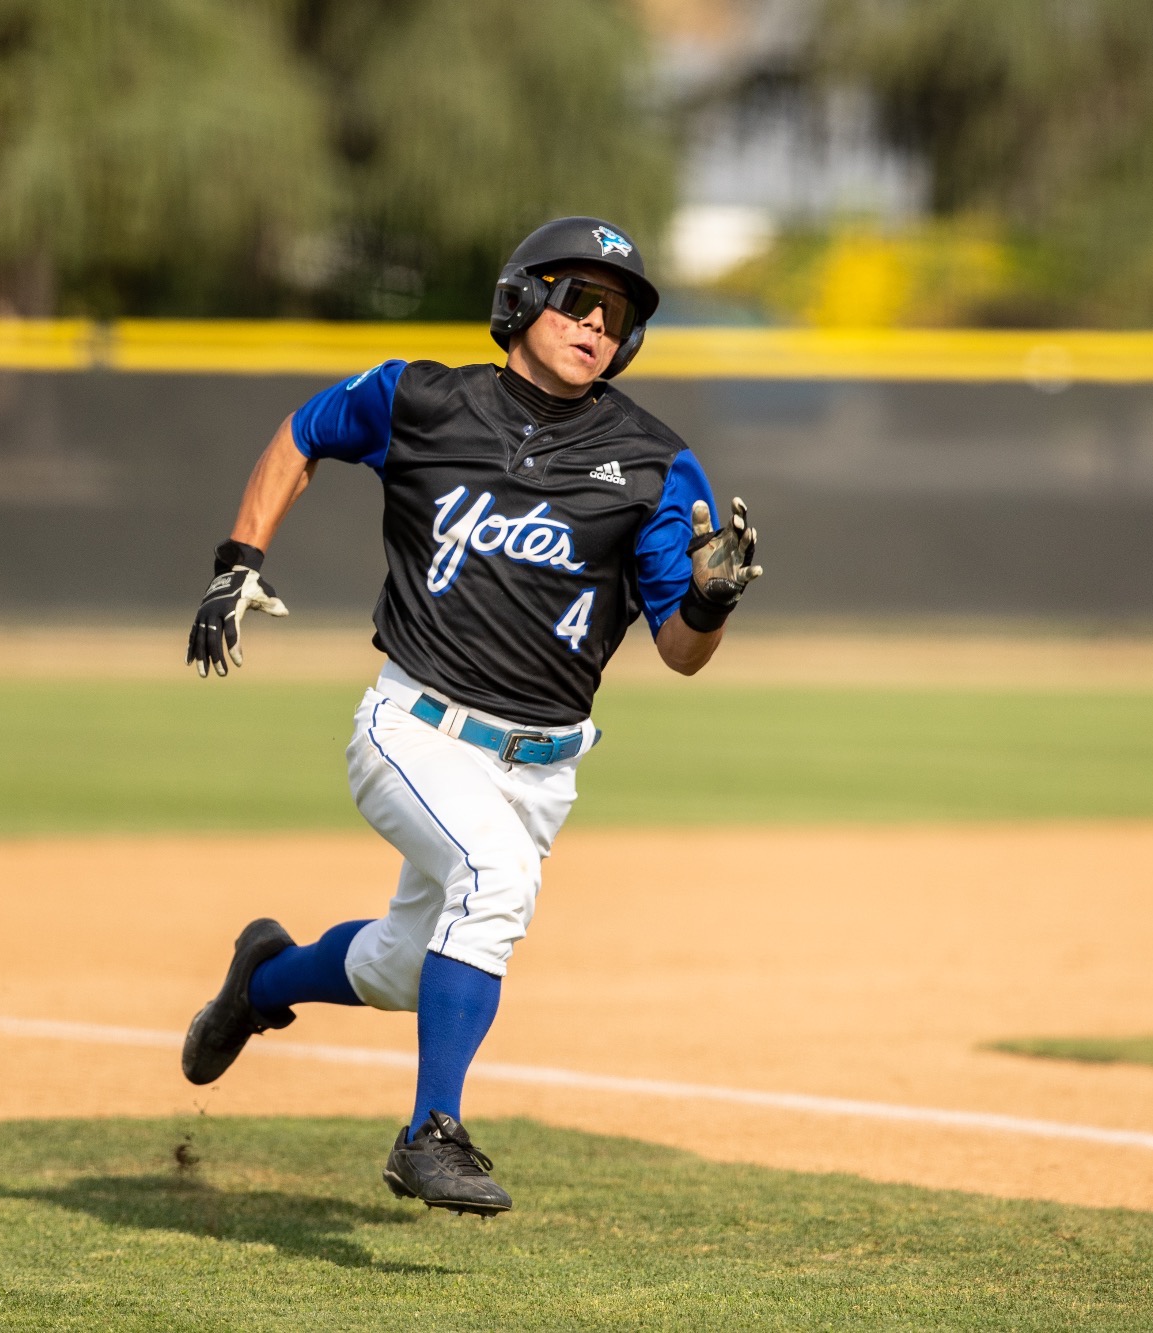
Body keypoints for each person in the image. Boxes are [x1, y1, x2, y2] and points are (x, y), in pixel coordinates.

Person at [179, 217, 762, 1216]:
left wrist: (707, 601)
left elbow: (679, 652)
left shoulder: (654, 465)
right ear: (521, 299)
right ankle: (431, 1132)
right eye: (575, 298)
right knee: (488, 887)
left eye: (613, 312)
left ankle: (261, 981)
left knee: (409, 966)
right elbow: (304, 432)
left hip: (539, 768)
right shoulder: (420, 398)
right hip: (411, 727)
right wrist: (240, 561)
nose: (592, 321)